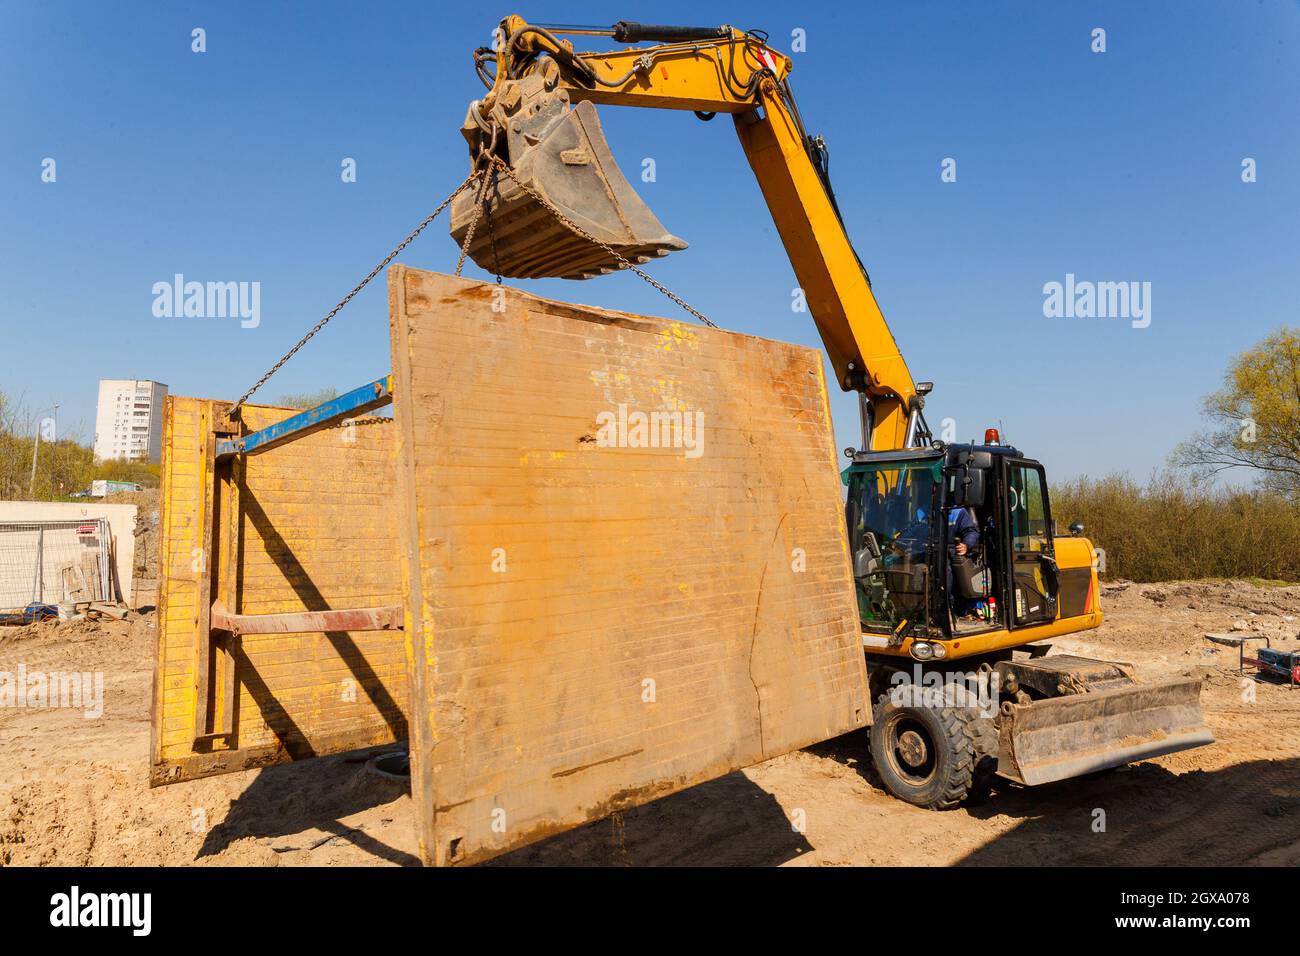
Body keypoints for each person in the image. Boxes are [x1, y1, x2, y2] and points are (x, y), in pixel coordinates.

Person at [947, 506, 982, 617]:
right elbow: (912, 530)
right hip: (928, 551)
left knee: (945, 571)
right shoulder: (922, 511)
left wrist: (966, 545)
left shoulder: (957, 512)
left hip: (950, 554)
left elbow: (971, 532)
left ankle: (950, 608)